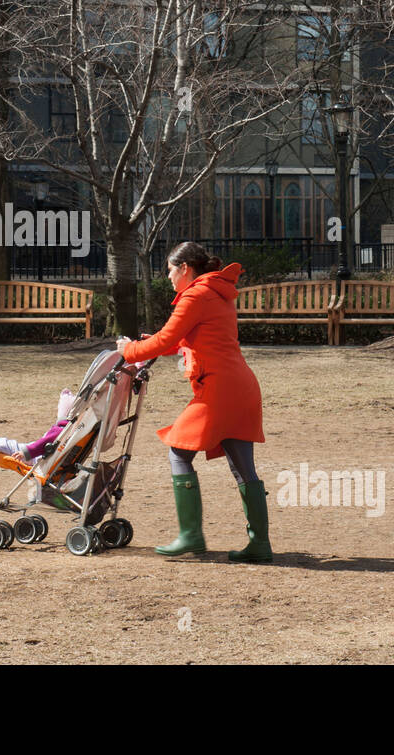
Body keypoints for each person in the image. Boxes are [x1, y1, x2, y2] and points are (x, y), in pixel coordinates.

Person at [116, 241, 272, 563]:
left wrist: (128, 351)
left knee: (179, 451)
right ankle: (259, 544)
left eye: (171, 271)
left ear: (185, 267)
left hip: (218, 391)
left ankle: (191, 535)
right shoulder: (217, 291)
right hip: (241, 387)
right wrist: (148, 344)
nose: (169, 278)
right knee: (244, 468)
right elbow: (188, 338)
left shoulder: (196, 295)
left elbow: (168, 339)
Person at [0, 389, 76, 465]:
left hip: (39, 456)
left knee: (9, 447)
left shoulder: (62, 430)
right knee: (14, 447)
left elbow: (44, 442)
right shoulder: (77, 429)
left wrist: (27, 453)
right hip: (47, 453)